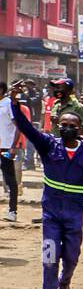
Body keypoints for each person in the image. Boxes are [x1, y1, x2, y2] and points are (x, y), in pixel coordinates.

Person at [9, 85, 83, 289]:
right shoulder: (49, 145)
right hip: (51, 214)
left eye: (72, 125)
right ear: (58, 126)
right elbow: (27, 128)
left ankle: (65, 282)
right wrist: (15, 103)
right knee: (49, 254)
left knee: (72, 255)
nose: (67, 129)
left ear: (82, 129)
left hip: (74, 214)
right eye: (63, 125)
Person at [0, 80, 20, 221]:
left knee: (10, 179)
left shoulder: (8, 104)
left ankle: (12, 211)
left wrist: (13, 146)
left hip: (6, 147)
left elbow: (18, 126)